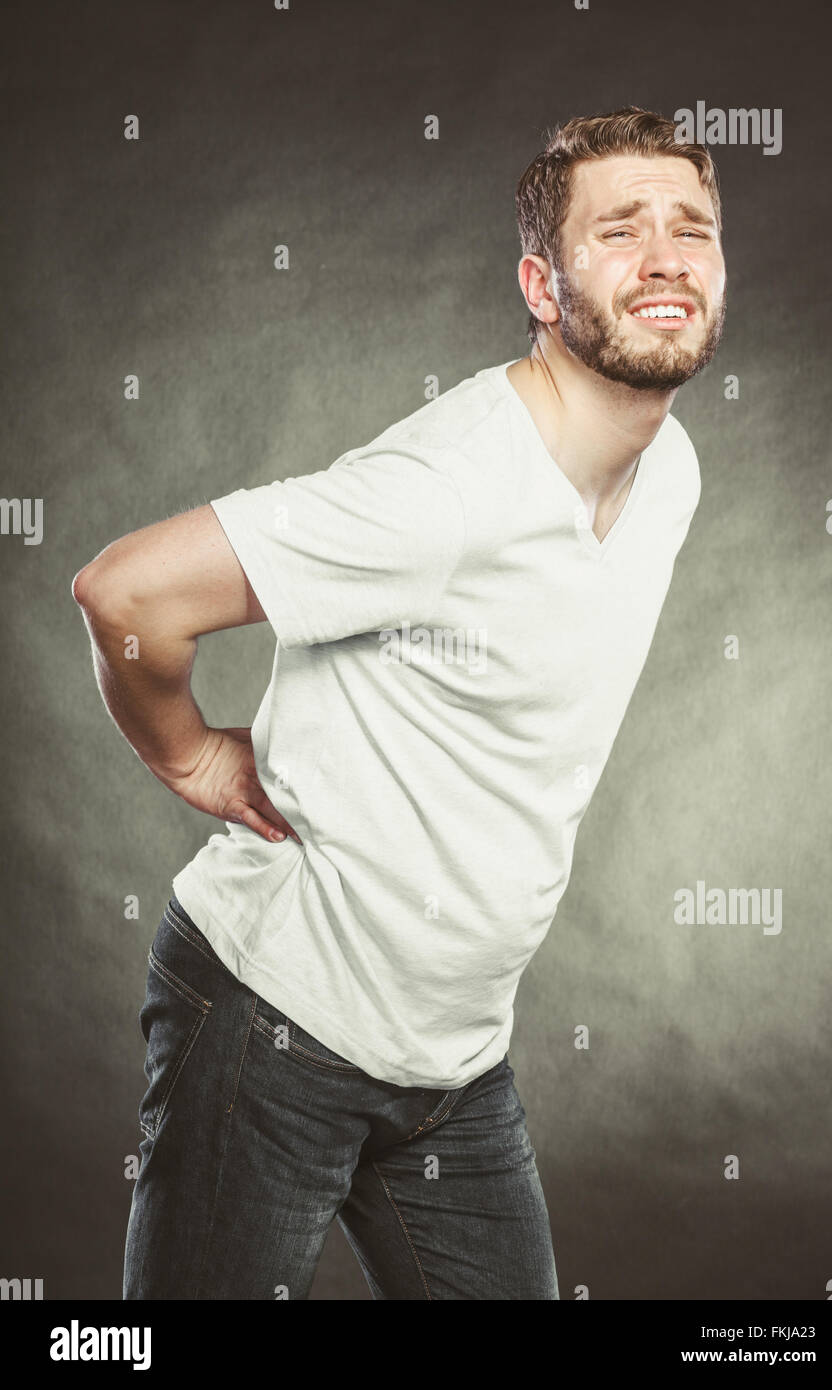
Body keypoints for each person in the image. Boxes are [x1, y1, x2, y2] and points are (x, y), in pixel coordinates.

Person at [72, 106, 727, 1300]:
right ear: (540, 283)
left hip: (454, 1059)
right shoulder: (446, 488)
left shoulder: (668, 473)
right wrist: (189, 758)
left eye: (691, 229)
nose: (666, 258)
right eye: (618, 232)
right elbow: (123, 592)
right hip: (274, 1027)